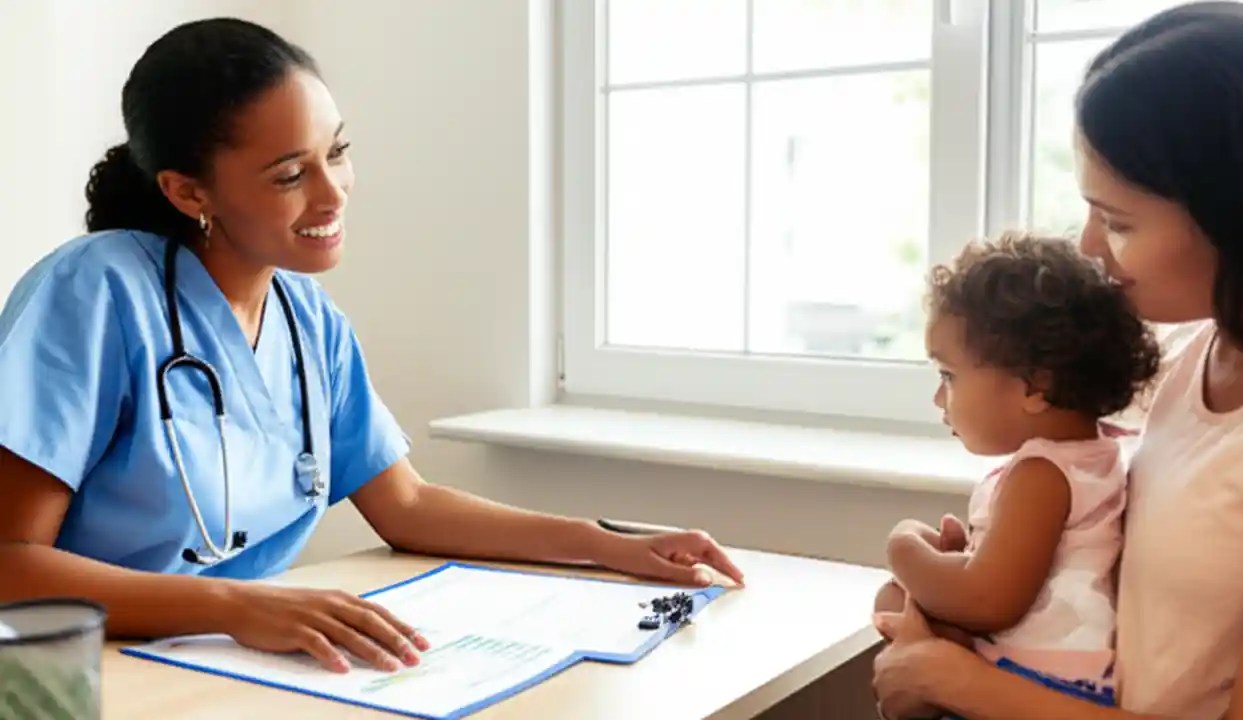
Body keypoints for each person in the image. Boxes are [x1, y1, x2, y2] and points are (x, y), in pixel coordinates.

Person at [0, 17, 743, 676]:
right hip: (82, 672)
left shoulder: (306, 317)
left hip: (234, 662)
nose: (334, 193)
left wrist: (606, 544)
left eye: (338, 151)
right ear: (189, 192)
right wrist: (235, 607)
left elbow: (409, 505)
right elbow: (10, 566)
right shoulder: (93, 292)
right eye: (291, 174)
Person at [872, 2, 1243, 718]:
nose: (1090, 248)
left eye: (1118, 221)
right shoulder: (1186, 364)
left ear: (1237, 209)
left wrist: (957, 683)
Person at [874, 232, 1161, 717]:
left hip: (1037, 680)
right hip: (1046, 668)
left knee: (897, 594)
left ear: (1036, 386)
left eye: (949, 376)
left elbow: (989, 600)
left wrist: (904, 548)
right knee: (899, 602)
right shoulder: (1094, 454)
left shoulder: (1042, 473)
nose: (939, 399)